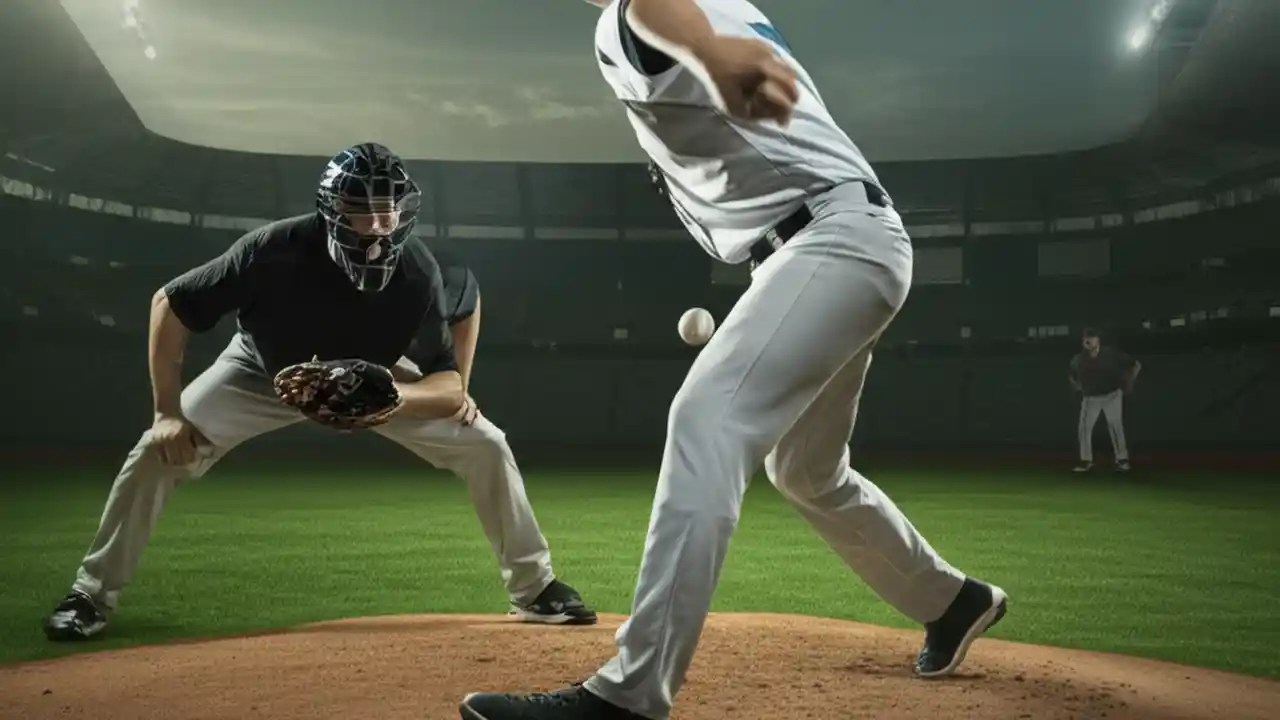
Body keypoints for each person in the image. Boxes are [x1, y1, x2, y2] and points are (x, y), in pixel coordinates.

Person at [459, 2, 1008, 719]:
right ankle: (951, 599)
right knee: (806, 470)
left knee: (706, 419)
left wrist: (711, 51)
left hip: (829, 242)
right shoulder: (729, 8)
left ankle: (630, 693)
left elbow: (654, 6)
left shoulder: (650, 15)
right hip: (840, 243)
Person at [41, 142, 596, 642]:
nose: (379, 224)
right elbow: (171, 303)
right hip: (260, 373)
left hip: (370, 376)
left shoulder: (417, 273)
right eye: (362, 207)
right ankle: (91, 594)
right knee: (155, 453)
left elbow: (449, 379)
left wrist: (391, 399)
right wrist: (166, 411)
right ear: (331, 208)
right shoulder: (271, 250)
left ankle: (535, 589)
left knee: (487, 445)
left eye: (390, 208)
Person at [1069, 328, 1140, 473]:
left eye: (1092, 338)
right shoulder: (1078, 359)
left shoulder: (1110, 353)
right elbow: (1071, 375)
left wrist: (1131, 381)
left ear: (1098, 340)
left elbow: (1135, 364)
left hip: (1111, 395)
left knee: (1115, 426)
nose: (1089, 341)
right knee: (1084, 428)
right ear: (1083, 342)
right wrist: (1076, 385)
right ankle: (1085, 461)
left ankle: (1122, 460)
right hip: (1090, 397)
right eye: (1086, 339)